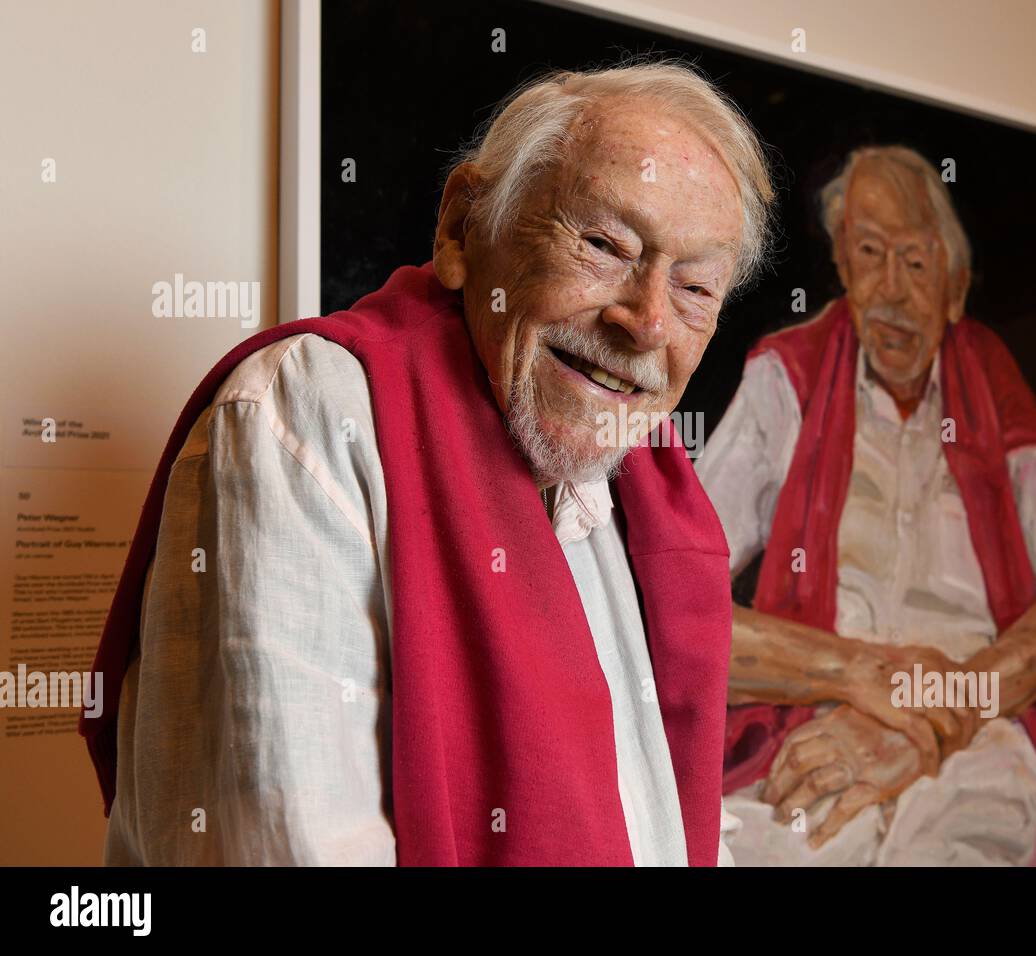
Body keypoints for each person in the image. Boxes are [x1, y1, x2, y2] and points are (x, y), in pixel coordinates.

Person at [83, 60, 775, 866]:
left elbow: (658, 821)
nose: (648, 322)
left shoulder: (639, 487)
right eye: (603, 244)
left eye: (696, 289)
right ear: (460, 228)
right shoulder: (306, 411)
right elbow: (290, 846)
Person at [699, 145, 1036, 866]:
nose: (891, 290)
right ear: (842, 270)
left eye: (915, 262)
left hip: (981, 733)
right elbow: (679, 599)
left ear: (955, 285)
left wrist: (937, 709)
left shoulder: (995, 387)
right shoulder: (785, 381)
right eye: (869, 255)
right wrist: (855, 674)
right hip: (811, 720)